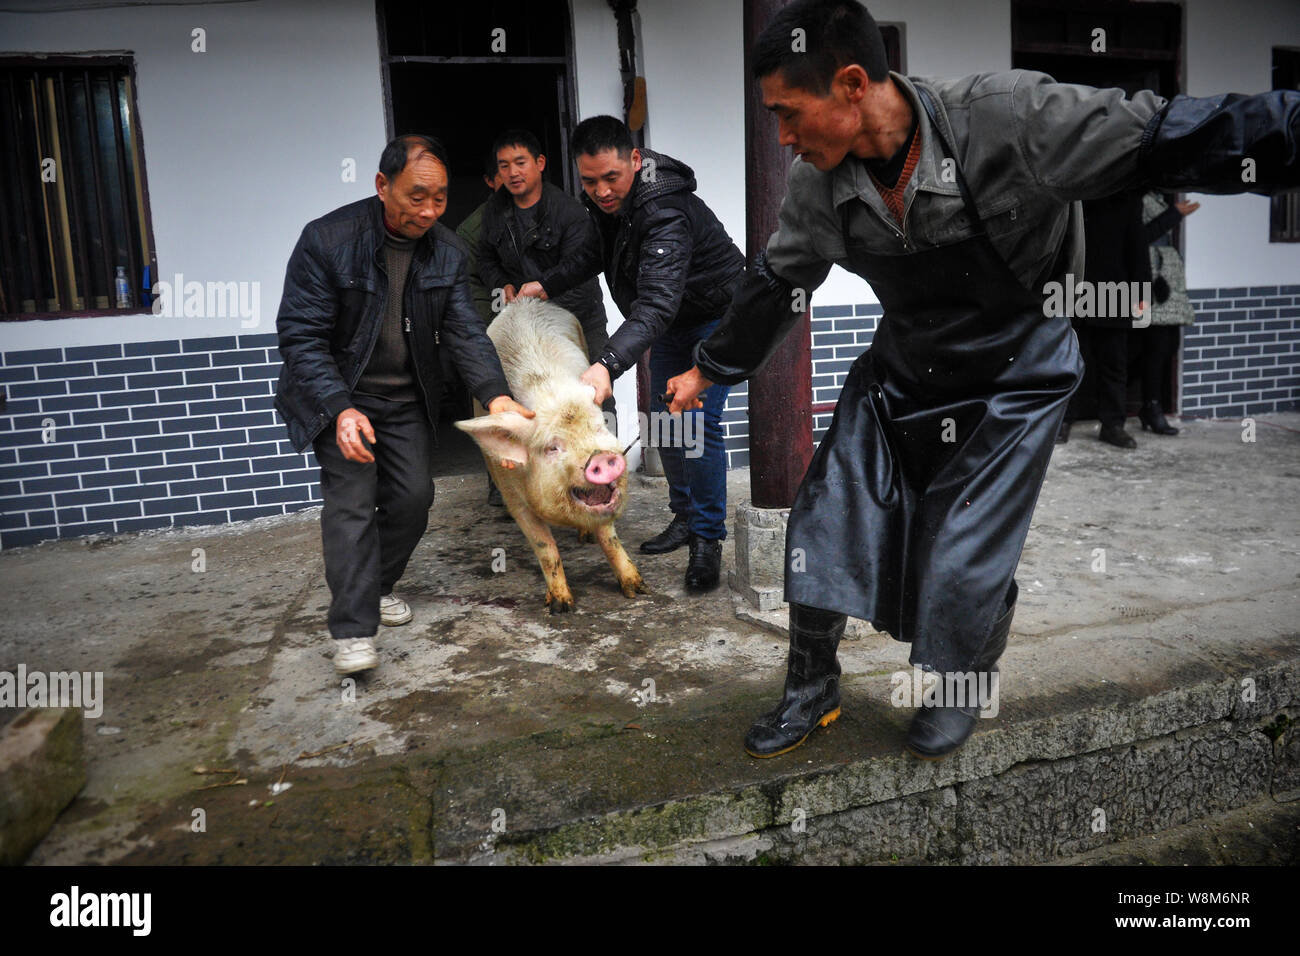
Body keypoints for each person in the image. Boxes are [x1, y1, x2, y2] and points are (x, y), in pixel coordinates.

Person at [664, 0, 1300, 759]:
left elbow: (1173, 130)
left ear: (854, 83)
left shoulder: (1011, 118)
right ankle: (811, 688)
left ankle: (960, 687)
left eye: (789, 114)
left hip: (1017, 377)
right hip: (901, 373)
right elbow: (776, 284)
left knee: (961, 546)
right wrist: (708, 370)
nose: (783, 137)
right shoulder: (816, 185)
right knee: (824, 520)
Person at [275, 135, 533, 676]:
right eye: (416, 196)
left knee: (415, 499)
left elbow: (464, 332)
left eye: (439, 199)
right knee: (350, 507)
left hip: (405, 398)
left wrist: (497, 395)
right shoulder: (327, 240)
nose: (428, 210)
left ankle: (378, 585)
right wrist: (339, 408)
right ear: (381, 186)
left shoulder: (445, 250)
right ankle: (352, 629)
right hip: (342, 399)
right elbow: (302, 336)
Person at [515, 116, 746, 592]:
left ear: (635, 162)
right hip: (670, 324)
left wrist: (606, 364)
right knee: (665, 420)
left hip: (715, 320)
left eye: (611, 178)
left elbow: (658, 301)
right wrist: (548, 283)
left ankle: (707, 540)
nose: (600, 190)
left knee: (697, 427)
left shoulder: (664, 210)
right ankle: (683, 517)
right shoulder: (608, 205)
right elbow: (594, 257)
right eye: (589, 180)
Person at [478, 129, 616, 432]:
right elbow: (485, 257)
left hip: (579, 318)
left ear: (539, 163)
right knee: (521, 397)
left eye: (520, 162)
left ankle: (606, 467)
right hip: (523, 324)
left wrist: (537, 300)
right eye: (504, 166)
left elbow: (579, 277)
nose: (513, 173)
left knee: (595, 391)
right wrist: (503, 285)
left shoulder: (569, 212)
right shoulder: (495, 210)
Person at [1061, 188, 1152, 448]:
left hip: (1115, 294)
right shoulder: (1072, 195)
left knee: (1114, 365)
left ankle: (1112, 425)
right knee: (1068, 362)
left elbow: (1137, 245)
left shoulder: (1126, 198)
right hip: (1073, 291)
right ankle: (1062, 422)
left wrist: (1142, 293)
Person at [456, 147, 509, 506]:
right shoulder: (473, 229)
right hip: (490, 326)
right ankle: (499, 485)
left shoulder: (545, 214)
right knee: (490, 401)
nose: (514, 178)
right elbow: (469, 293)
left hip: (530, 327)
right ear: (491, 182)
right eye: (503, 172)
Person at [1134, 190, 1200, 435]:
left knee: (1169, 346)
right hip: (1152, 277)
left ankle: (1151, 406)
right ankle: (1151, 406)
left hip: (1170, 280)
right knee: (1156, 347)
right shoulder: (1139, 199)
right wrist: (1174, 214)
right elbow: (1140, 236)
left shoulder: (1161, 196)